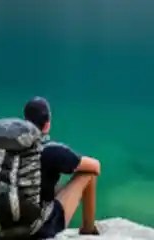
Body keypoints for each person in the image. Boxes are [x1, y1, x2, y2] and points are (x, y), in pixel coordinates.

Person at [25, 96, 102, 238]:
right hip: (40, 229)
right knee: (88, 174)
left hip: (13, 222)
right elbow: (95, 166)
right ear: (47, 124)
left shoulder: (13, 148)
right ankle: (88, 229)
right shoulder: (51, 150)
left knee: (54, 184)